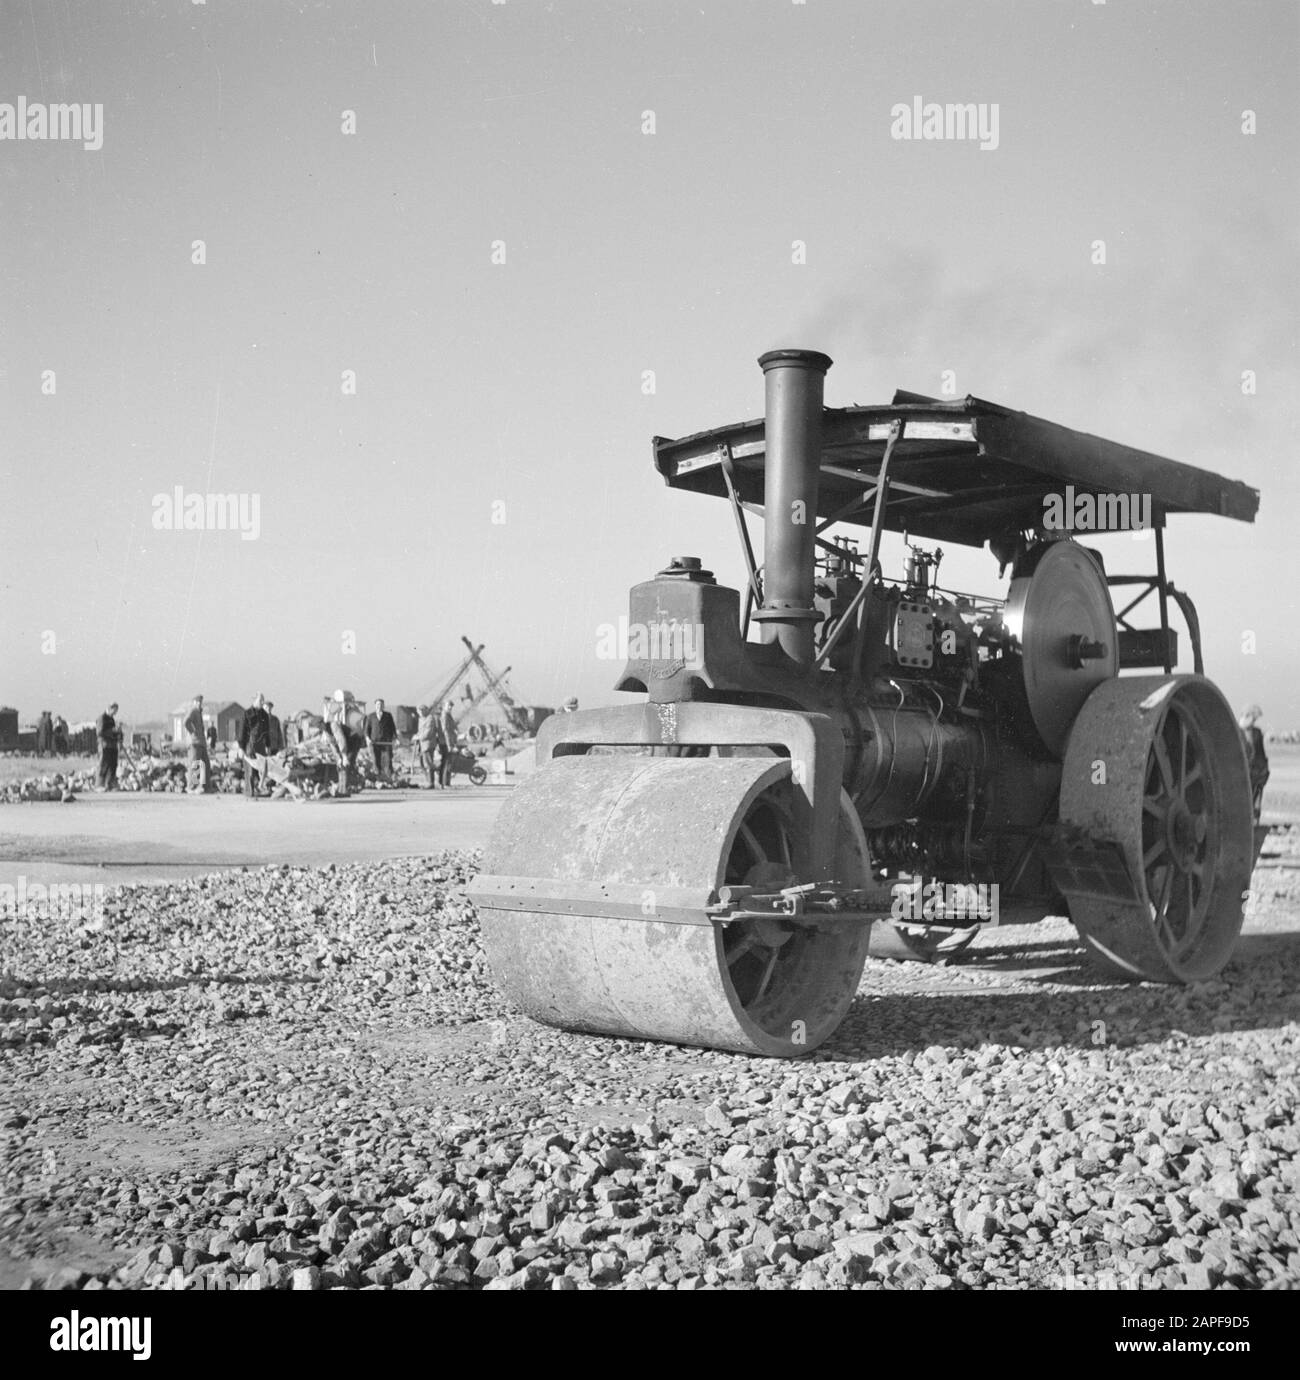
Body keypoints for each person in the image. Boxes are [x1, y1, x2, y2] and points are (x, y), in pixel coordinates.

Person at [238, 694, 272, 799]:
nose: (262, 702)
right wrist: (241, 748)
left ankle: (261, 788)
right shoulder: (247, 713)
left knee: (263, 768)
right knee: (250, 770)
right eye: (260, 700)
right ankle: (250, 792)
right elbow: (242, 732)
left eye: (263, 700)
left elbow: (267, 732)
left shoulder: (265, 715)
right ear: (255, 700)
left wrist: (268, 745)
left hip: (261, 745)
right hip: (250, 745)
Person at [1239, 705, 1270, 816]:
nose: (1253, 721)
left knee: (1255, 799)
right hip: (1247, 772)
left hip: (1256, 771)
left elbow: (1260, 753)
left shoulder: (1256, 733)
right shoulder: (1239, 733)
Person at [184, 694, 212, 794]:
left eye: (201, 702)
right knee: (195, 765)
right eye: (198, 702)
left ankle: (206, 787)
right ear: (194, 702)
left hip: (201, 742)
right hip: (194, 742)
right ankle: (192, 787)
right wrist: (193, 731)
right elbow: (186, 721)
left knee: (205, 764)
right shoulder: (193, 711)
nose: (200, 704)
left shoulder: (199, 712)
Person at [365, 698, 397, 781]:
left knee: (388, 760)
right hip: (375, 742)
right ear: (375, 706)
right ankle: (377, 778)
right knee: (376, 760)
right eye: (378, 704)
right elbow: (366, 730)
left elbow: (393, 728)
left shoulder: (388, 715)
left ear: (384, 706)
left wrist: (395, 739)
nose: (380, 706)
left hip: (386, 742)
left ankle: (389, 777)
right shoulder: (370, 716)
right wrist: (368, 739)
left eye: (381, 704)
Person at [97, 703, 121, 790]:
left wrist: (117, 733)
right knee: (104, 764)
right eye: (114, 711)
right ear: (109, 708)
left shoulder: (112, 719)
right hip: (104, 744)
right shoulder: (102, 718)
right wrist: (112, 731)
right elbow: (100, 732)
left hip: (113, 745)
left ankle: (109, 784)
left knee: (113, 765)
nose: (115, 713)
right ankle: (99, 784)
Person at [438, 700, 458, 787]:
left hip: (449, 742)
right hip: (445, 743)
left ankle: (445, 782)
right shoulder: (444, 715)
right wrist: (449, 745)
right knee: (446, 763)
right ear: (444, 706)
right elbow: (445, 731)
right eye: (448, 706)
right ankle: (444, 783)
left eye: (451, 706)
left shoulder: (448, 715)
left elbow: (452, 728)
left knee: (448, 763)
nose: (450, 707)